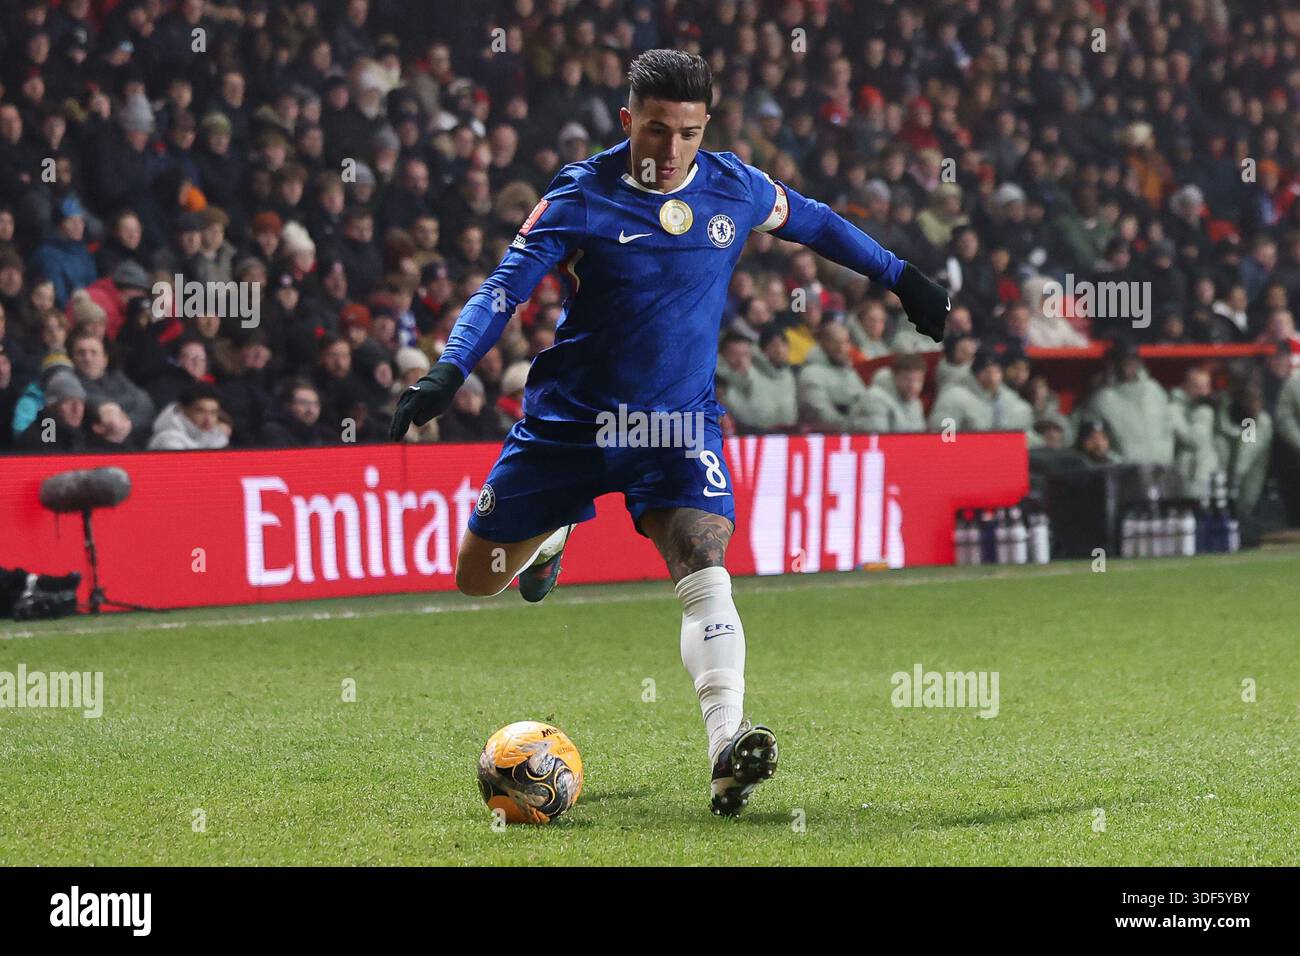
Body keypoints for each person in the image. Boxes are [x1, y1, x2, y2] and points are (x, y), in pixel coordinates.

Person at [389, 50, 949, 817]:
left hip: (676, 422)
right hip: (570, 425)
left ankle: (726, 747)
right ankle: (550, 533)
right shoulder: (583, 193)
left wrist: (900, 274)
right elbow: (503, 287)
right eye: (656, 130)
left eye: (687, 132)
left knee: (702, 555)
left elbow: (814, 221)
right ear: (628, 121)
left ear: (705, 127)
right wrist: (450, 369)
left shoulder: (735, 186)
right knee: (478, 578)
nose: (671, 150)